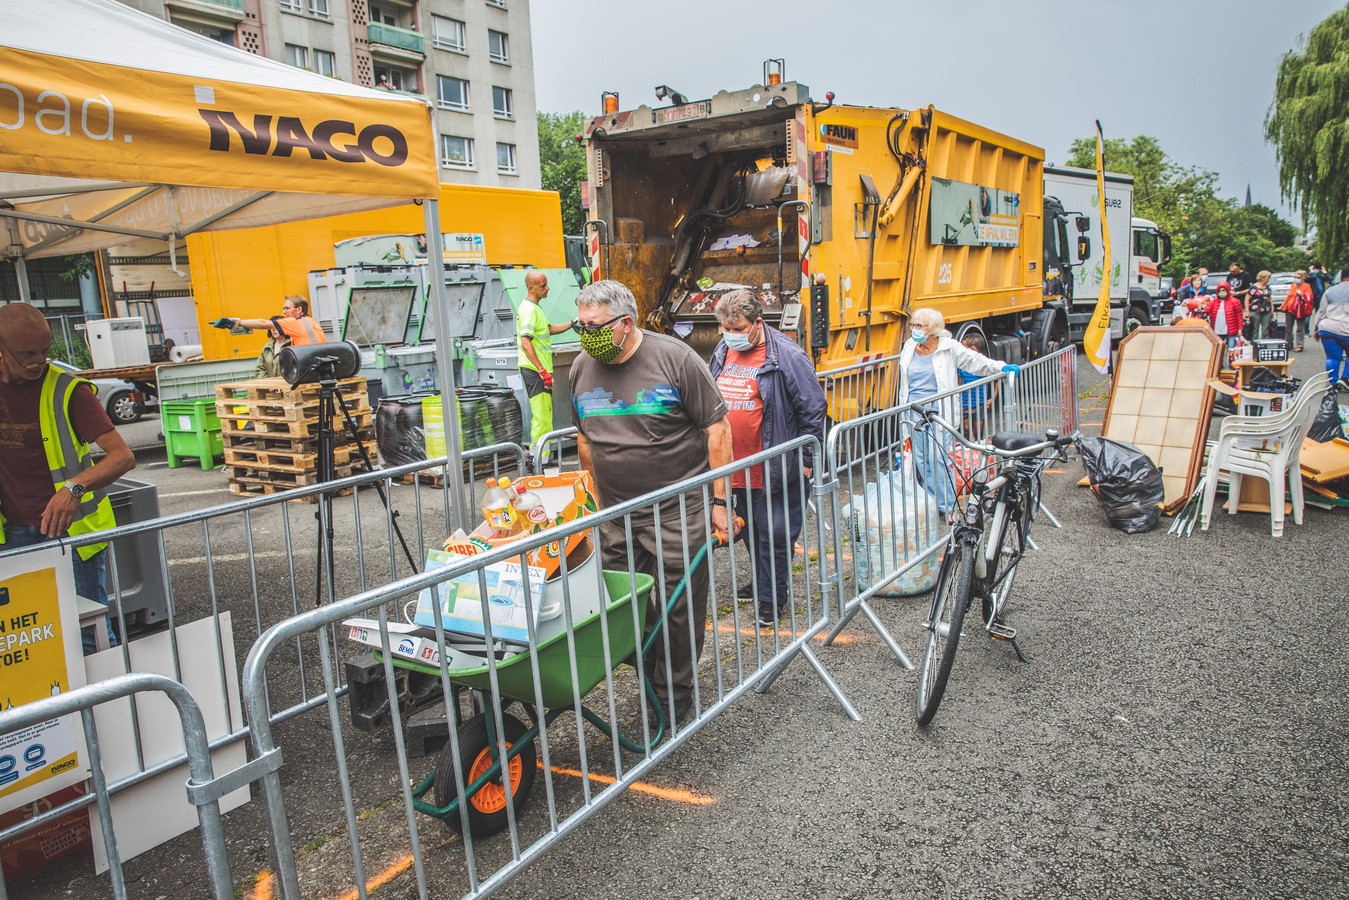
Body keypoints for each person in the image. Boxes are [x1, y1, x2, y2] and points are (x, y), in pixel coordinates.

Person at [570, 280, 733, 722]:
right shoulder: (582, 367)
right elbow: (585, 438)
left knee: (679, 606)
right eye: (579, 325)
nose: (585, 335)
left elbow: (717, 430)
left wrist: (721, 503)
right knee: (626, 603)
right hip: (615, 513)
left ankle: (676, 692)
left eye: (594, 325)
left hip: (678, 510)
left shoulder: (675, 359)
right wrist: (590, 502)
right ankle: (650, 674)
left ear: (626, 323)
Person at [0, 303, 136, 655]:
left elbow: (123, 457)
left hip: (71, 531)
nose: (39, 360)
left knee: (88, 632)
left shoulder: (69, 390)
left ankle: (114, 704)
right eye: (28, 353)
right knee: (31, 629)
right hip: (13, 531)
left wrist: (74, 488)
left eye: (45, 350)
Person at [708, 290, 825, 626]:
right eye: (726, 327)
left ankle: (772, 601)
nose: (731, 333)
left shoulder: (786, 354)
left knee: (774, 536)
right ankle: (762, 584)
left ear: (758, 322)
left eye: (738, 327)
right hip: (736, 468)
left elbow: (813, 408)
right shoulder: (724, 348)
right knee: (750, 532)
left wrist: (807, 458)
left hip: (774, 469)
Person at [898, 308, 1017, 515]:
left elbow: (975, 361)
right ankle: (932, 505)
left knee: (938, 459)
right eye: (913, 325)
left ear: (933, 329)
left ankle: (949, 506)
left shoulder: (949, 347)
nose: (915, 330)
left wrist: (1001, 367)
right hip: (913, 413)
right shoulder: (909, 346)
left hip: (938, 413)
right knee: (921, 460)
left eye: (920, 326)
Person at [516, 271, 572, 463]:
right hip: (535, 371)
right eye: (543, 286)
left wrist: (573, 324)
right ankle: (540, 462)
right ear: (531, 288)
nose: (547, 288)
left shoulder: (535, 308)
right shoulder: (530, 310)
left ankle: (537, 456)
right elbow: (526, 342)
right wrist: (541, 371)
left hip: (537, 370)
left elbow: (549, 329)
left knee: (541, 416)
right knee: (543, 418)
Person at [215, 295, 328, 346]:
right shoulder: (311, 322)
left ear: (298, 309)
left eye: (287, 308)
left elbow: (263, 324)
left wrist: (235, 322)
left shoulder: (295, 322)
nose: (284, 312)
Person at [1311, 267, 1349, 391]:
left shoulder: (1330, 291)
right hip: (1346, 328)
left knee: (1332, 357)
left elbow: (1321, 311)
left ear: (1341, 276)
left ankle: (1332, 383)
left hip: (1327, 328)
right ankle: (1344, 379)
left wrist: (1316, 327)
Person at [957, 332, 995, 437]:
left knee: (977, 432)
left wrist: (992, 398)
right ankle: (967, 451)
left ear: (972, 349)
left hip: (980, 403)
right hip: (965, 402)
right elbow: (959, 383)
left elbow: (996, 380)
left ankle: (979, 451)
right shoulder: (962, 365)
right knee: (965, 430)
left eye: (963, 348)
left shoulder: (984, 365)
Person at [1280, 270, 1315, 352]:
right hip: (1290, 308)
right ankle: (1288, 344)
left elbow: (1309, 298)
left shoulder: (1307, 286)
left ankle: (1299, 345)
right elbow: (1289, 296)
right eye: (1295, 277)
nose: (1296, 279)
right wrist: (1283, 304)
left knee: (1300, 327)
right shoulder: (1293, 285)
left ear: (1303, 278)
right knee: (1288, 327)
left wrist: (1301, 294)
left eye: (1298, 277)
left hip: (1300, 309)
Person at [1205, 282, 1244, 353]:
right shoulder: (1213, 302)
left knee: (1231, 350)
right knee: (1218, 350)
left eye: (1223, 290)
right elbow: (1206, 311)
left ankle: (1231, 364)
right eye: (1219, 291)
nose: (1221, 292)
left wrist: (1240, 328)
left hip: (1231, 330)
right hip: (1217, 330)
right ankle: (1220, 364)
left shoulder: (1235, 301)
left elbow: (1239, 315)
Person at [1246, 271, 1275, 341]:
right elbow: (1247, 299)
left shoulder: (1267, 287)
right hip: (1255, 311)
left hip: (1266, 311)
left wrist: (1272, 307)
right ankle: (1255, 344)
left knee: (1266, 328)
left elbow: (1269, 298)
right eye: (1268, 278)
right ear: (1262, 278)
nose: (1269, 279)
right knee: (1255, 329)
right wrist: (1247, 311)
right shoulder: (1253, 287)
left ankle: (1265, 343)